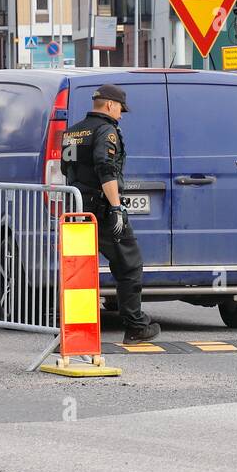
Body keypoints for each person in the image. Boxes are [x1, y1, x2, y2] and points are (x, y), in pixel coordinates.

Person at [61, 84, 160, 343]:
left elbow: (66, 168)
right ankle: (135, 325)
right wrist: (116, 207)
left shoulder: (73, 131)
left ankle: (75, 332)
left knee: (79, 268)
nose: (121, 115)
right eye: (120, 109)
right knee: (129, 263)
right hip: (101, 210)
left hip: (76, 208)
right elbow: (106, 168)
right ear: (109, 105)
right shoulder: (107, 131)